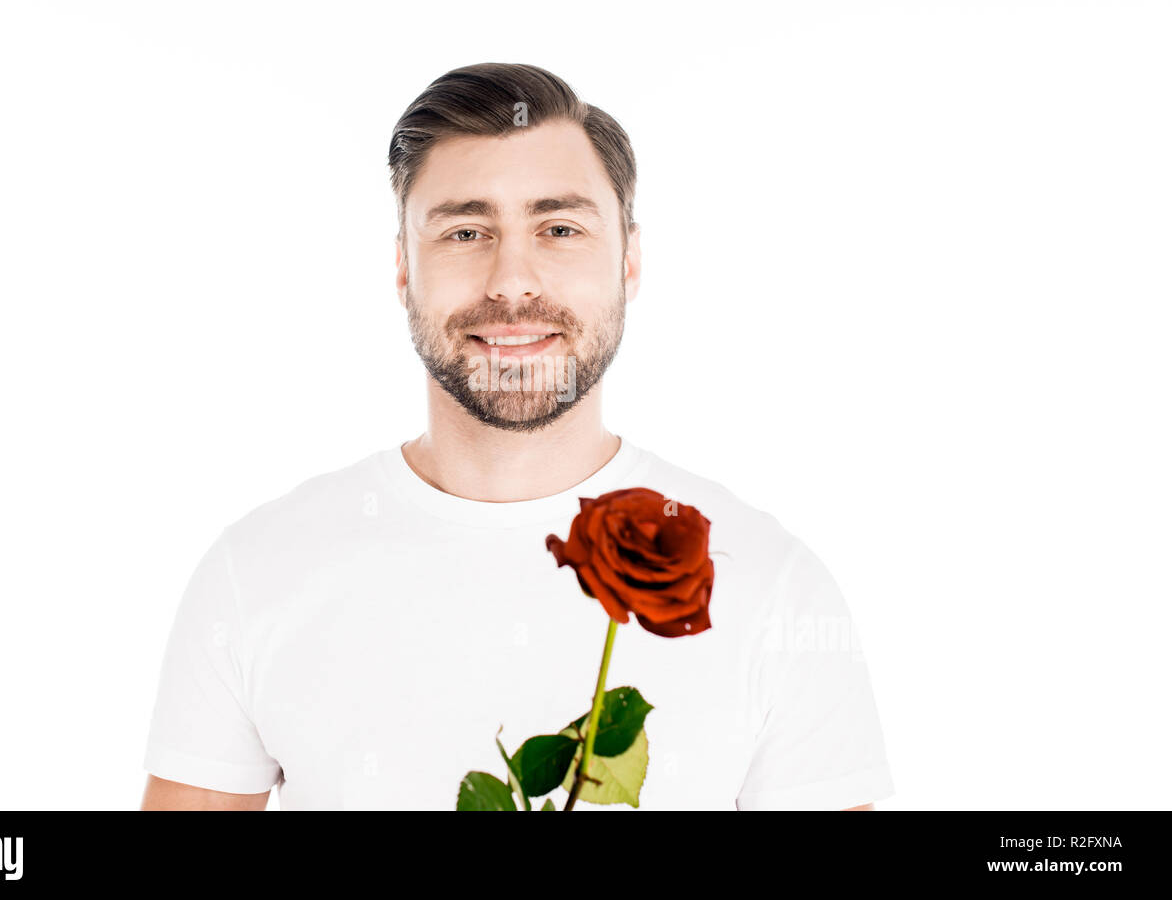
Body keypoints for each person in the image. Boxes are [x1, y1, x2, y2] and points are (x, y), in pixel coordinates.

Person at [140, 63, 895, 810]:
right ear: (403, 266)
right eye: (466, 231)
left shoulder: (775, 590)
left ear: (629, 260)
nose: (511, 282)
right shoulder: (255, 574)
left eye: (559, 228)